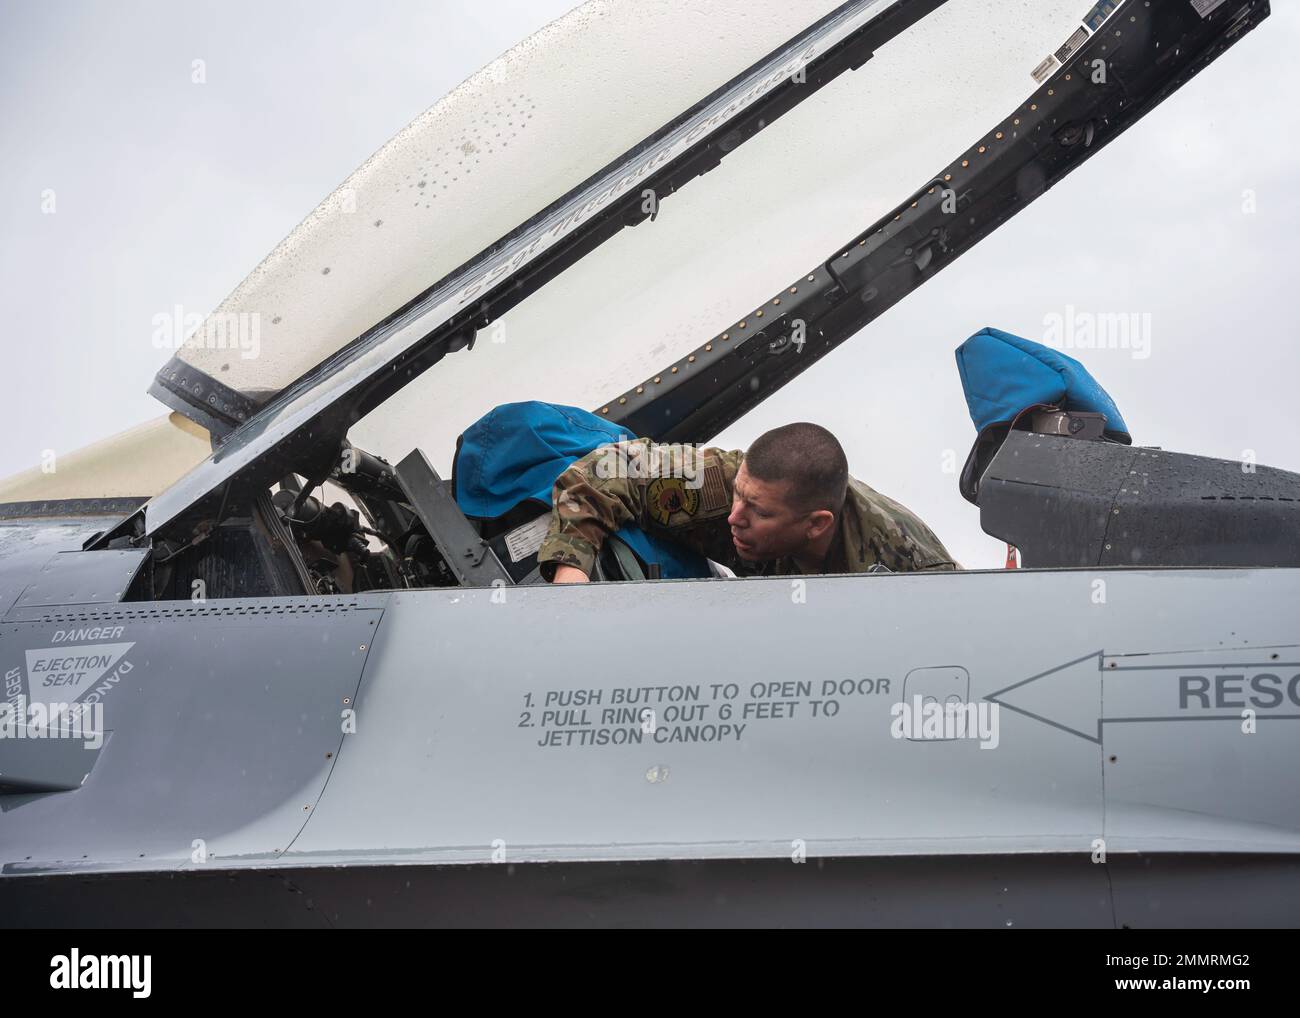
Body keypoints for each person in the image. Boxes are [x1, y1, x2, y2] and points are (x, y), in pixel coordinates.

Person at [538, 422, 957, 582]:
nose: (735, 517)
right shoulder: (730, 479)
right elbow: (606, 468)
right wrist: (571, 573)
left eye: (760, 512)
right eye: (740, 495)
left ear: (816, 525)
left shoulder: (912, 571)